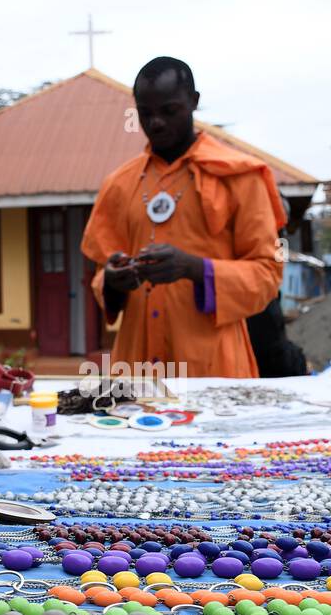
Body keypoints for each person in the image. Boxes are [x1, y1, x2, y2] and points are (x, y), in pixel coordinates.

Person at [82, 57, 285, 378]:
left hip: (213, 365)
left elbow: (268, 274)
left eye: (169, 110)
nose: (157, 123)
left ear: (194, 102)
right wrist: (112, 280)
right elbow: (100, 273)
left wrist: (195, 269)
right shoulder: (119, 184)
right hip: (137, 364)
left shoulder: (241, 176)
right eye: (145, 113)